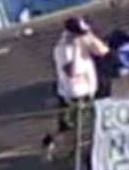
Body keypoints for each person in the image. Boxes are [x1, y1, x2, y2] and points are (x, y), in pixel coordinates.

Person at [47, 16, 109, 159]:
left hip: (89, 89)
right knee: (71, 126)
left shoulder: (84, 40)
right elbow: (71, 72)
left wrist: (90, 37)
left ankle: (74, 150)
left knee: (82, 123)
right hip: (74, 94)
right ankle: (70, 151)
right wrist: (76, 49)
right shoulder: (63, 49)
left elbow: (103, 51)